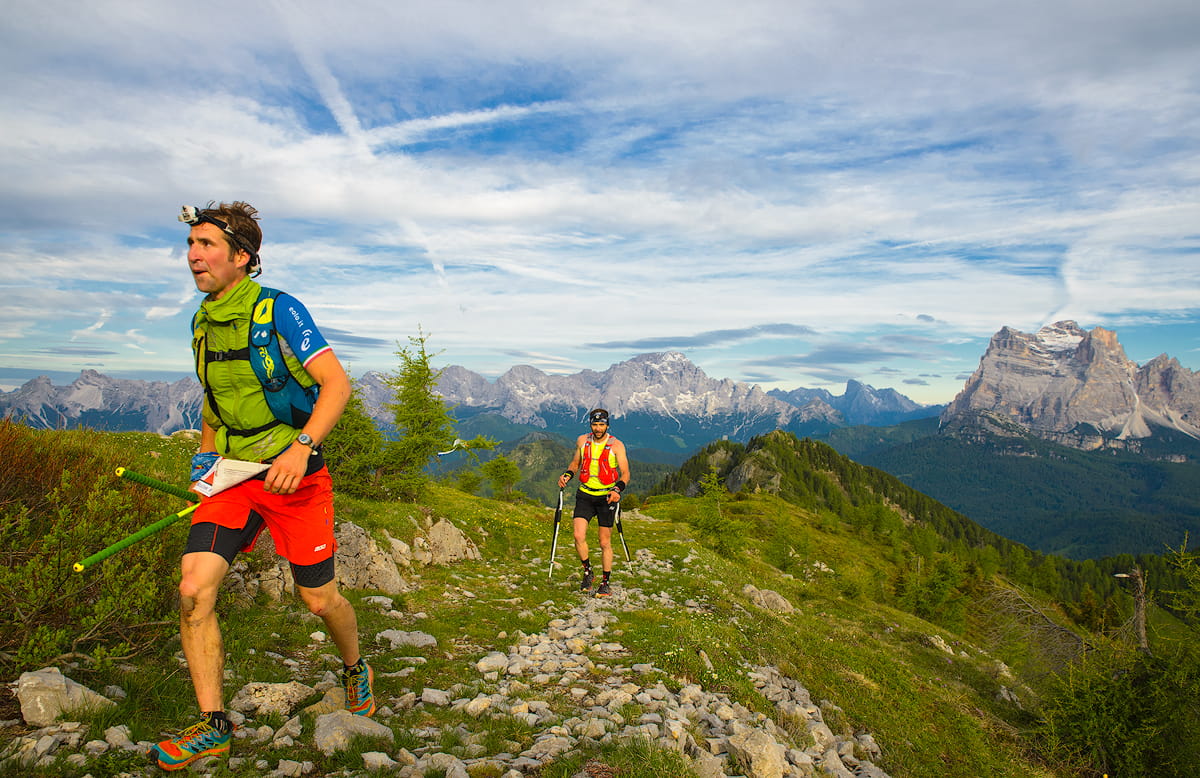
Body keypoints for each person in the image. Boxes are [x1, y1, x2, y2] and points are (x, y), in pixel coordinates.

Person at [149, 202, 373, 771]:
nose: (194, 256)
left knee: (318, 599)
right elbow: (214, 397)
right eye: (190, 245)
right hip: (231, 477)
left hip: (293, 476)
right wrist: (204, 459)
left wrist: (302, 449)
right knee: (193, 590)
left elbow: (336, 386)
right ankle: (213, 726)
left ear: (242, 257)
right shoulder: (201, 319)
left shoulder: (279, 310)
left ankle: (354, 667)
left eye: (206, 245)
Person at [557, 408, 631, 597]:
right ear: (590, 424)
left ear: (607, 425)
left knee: (604, 542)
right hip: (585, 495)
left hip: (606, 498)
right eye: (595, 424)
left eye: (601, 424)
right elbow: (575, 464)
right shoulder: (583, 441)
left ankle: (605, 583)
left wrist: (617, 489)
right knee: (578, 535)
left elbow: (625, 473)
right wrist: (567, 475)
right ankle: (588, 572)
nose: (598, 428)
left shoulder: (617, 446)